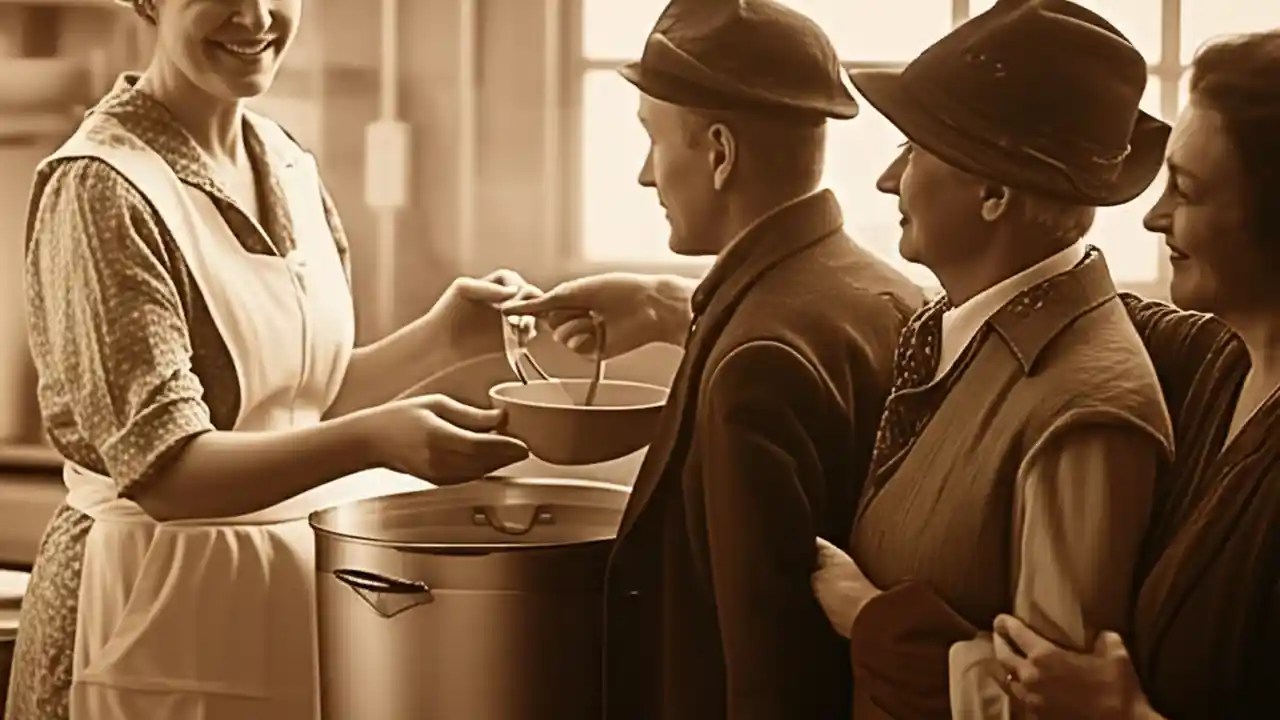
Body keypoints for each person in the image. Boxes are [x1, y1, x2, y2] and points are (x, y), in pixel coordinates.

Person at [5, 1, 533, 719]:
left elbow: (298, 402)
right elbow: (168, 475)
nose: (254, 16)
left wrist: (449, 337)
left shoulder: (282, 157)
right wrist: (378, 440)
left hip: (276, 597)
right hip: (143, 604)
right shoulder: (104, 186)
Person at [505, 1, 924, 717]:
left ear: (721, 154)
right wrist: (675, 308)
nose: (644, 175)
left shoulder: (754, 366)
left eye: (653, 141)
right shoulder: (892, 293)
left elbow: (768, 669)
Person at [806, 1, 1176, 717]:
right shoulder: (959, 322)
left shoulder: (1084, 412)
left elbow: (1047, 703)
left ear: (995, 195)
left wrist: (866, 616)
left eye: (913, 151)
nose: (888, 180)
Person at [989, 30, 1280, 720]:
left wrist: (1121, 714)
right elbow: (1057, 295)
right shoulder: (1219, 358)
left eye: (1186, 188)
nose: (1153, 215)